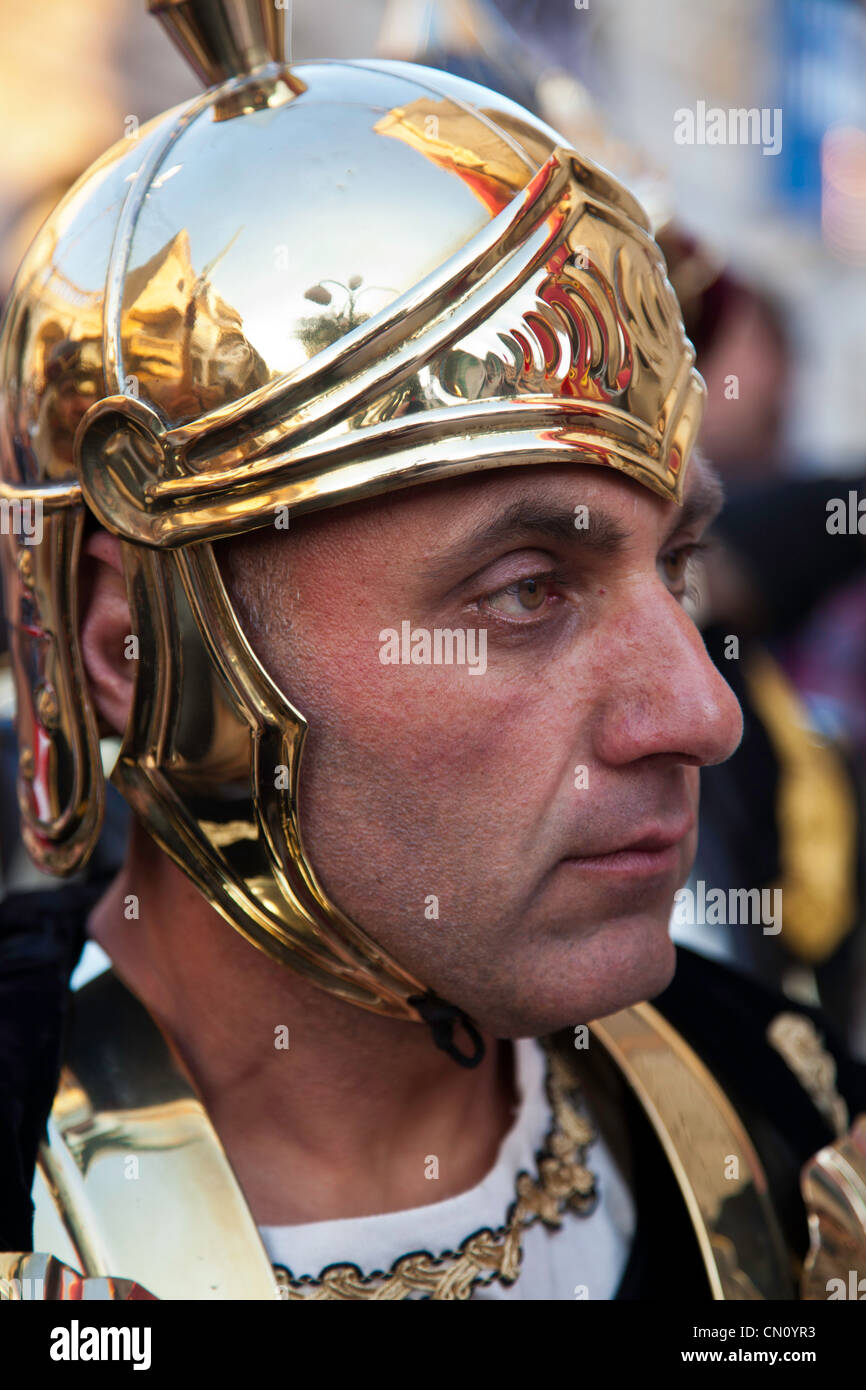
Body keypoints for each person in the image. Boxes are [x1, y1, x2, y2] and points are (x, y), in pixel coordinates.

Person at [1, 0, 864, 1302]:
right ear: (136, 648)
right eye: (524, 590)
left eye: (674, 566)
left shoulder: (777, 1106)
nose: (698, 708)